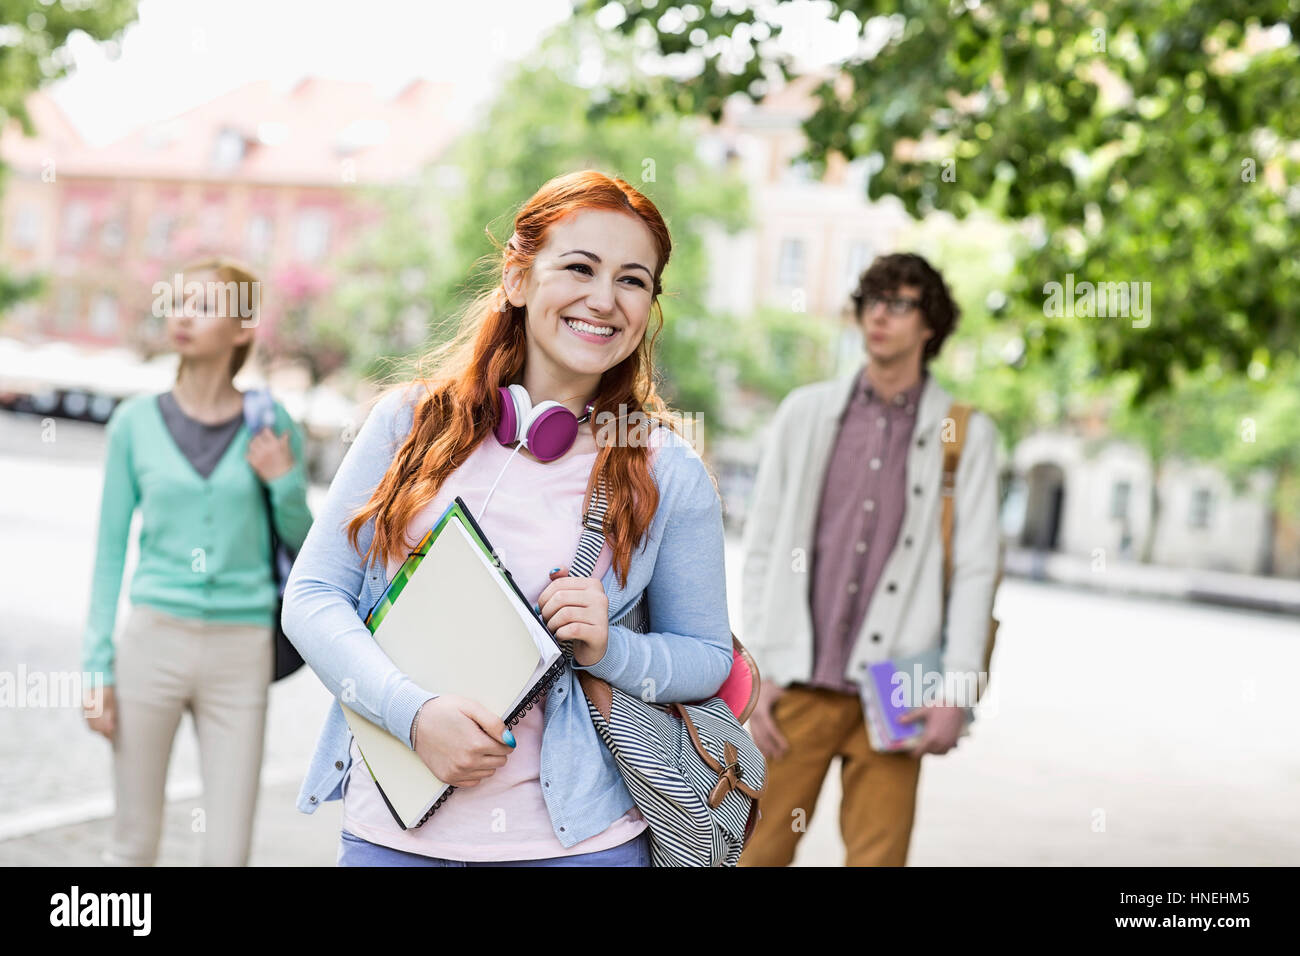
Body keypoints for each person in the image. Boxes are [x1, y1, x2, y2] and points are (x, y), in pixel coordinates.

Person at [282, 170, 732, 867]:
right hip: (391, 837)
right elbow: (312, 599)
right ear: (519, 279)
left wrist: (610, 647)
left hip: (579, 847)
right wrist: (414, 716)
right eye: (579, 267)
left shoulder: (666, 470)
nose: (604, 299)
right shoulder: (407, 424)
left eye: (632, 279)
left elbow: (707, 660)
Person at [738, 252, 1001, 867]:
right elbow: (764, 550)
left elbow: (975, 573)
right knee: (755, 854)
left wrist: (956, 690)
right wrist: (759, 672)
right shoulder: (804, 413)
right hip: (797, 678)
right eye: (871, 301)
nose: (880, 316)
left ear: (929, 323)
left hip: (899, 685)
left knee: (878, 860)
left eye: (900, 304)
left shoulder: (965, 433)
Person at [81, 255, 313, 866]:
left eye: (204, 306)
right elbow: (109, 552)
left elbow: (308, 547)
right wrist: (96, 667)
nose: (183, 316)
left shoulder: (270, 421)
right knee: (133, 844)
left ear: (242, 329)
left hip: (241, 651)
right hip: (151, 644)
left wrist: (284, 484)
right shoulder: (133, 424)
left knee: (227, 851)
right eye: (179, 302)